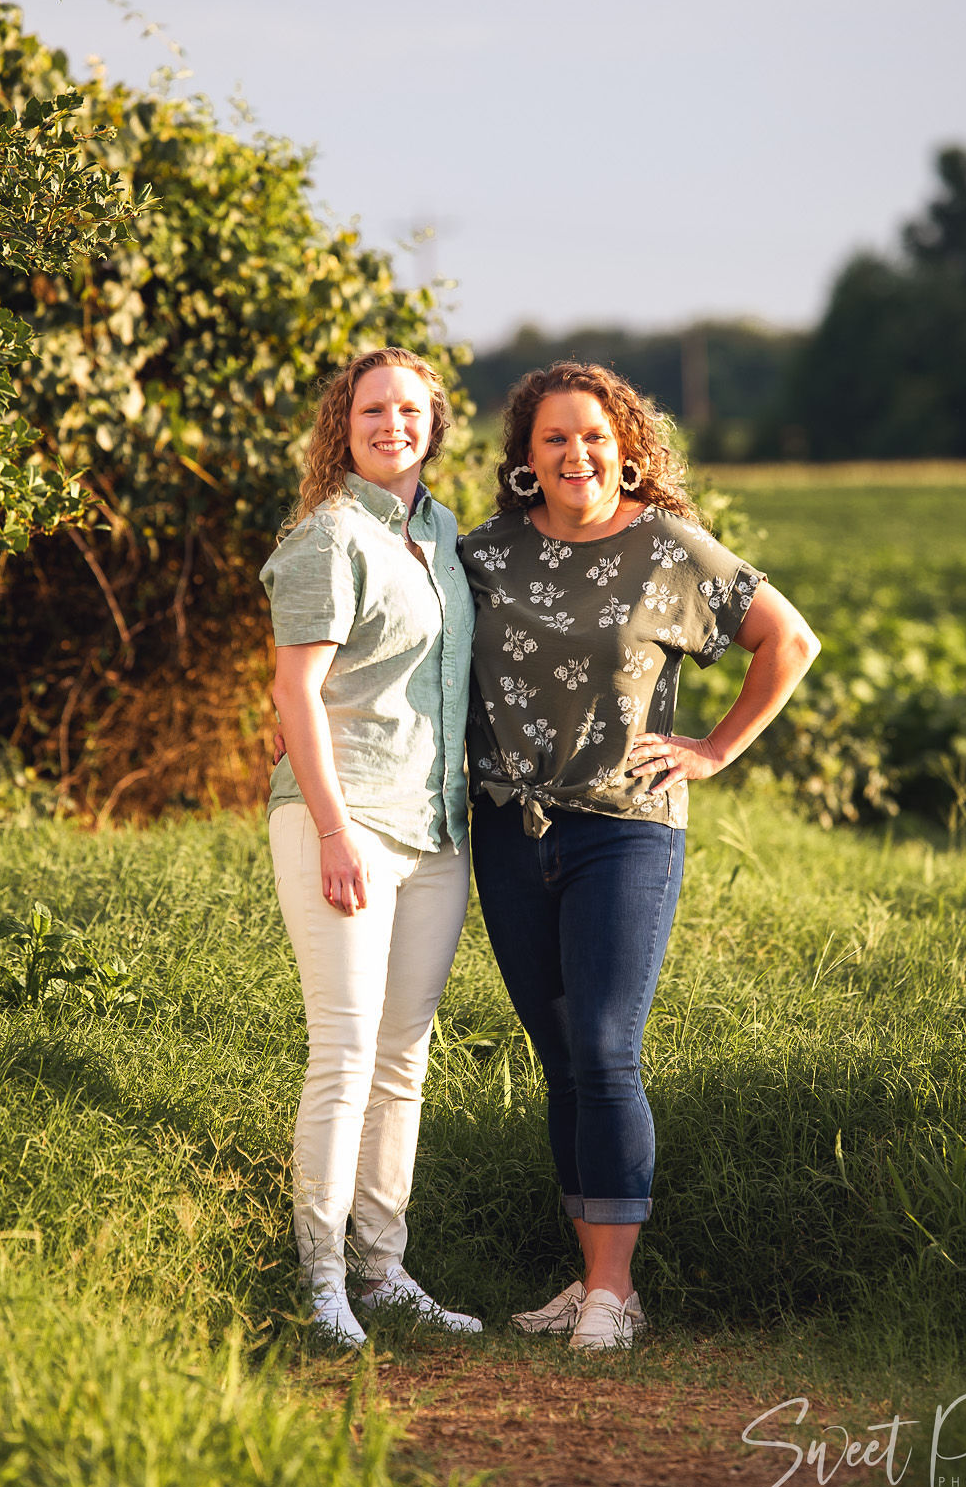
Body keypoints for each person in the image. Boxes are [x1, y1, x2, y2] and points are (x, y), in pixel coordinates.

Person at [460, 361, 820, 1352]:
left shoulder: (666, 546)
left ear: (625, 443)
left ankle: (617, 1292)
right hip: (506, 828)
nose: (577, 452)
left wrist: (714, 747)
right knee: (561, 1057)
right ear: (525, 461)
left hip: (626, 826)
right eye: (554, 439)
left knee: (608, 1048)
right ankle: (586, 1281)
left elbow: (786, 638)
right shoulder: (483, 554)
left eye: (593, 434)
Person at [260, 347, 481, 1347]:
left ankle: (384, 1267)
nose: (393, 423)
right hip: (340, 820)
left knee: (404, 1055)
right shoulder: (330, 535)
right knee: (344, 1051)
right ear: (342, 426)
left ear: (435, 421)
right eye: (371, 409)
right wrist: (337, 830)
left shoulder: (439, 533)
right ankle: (320, 1280)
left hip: (435, 829)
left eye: (409, 408)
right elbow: (294, 694)